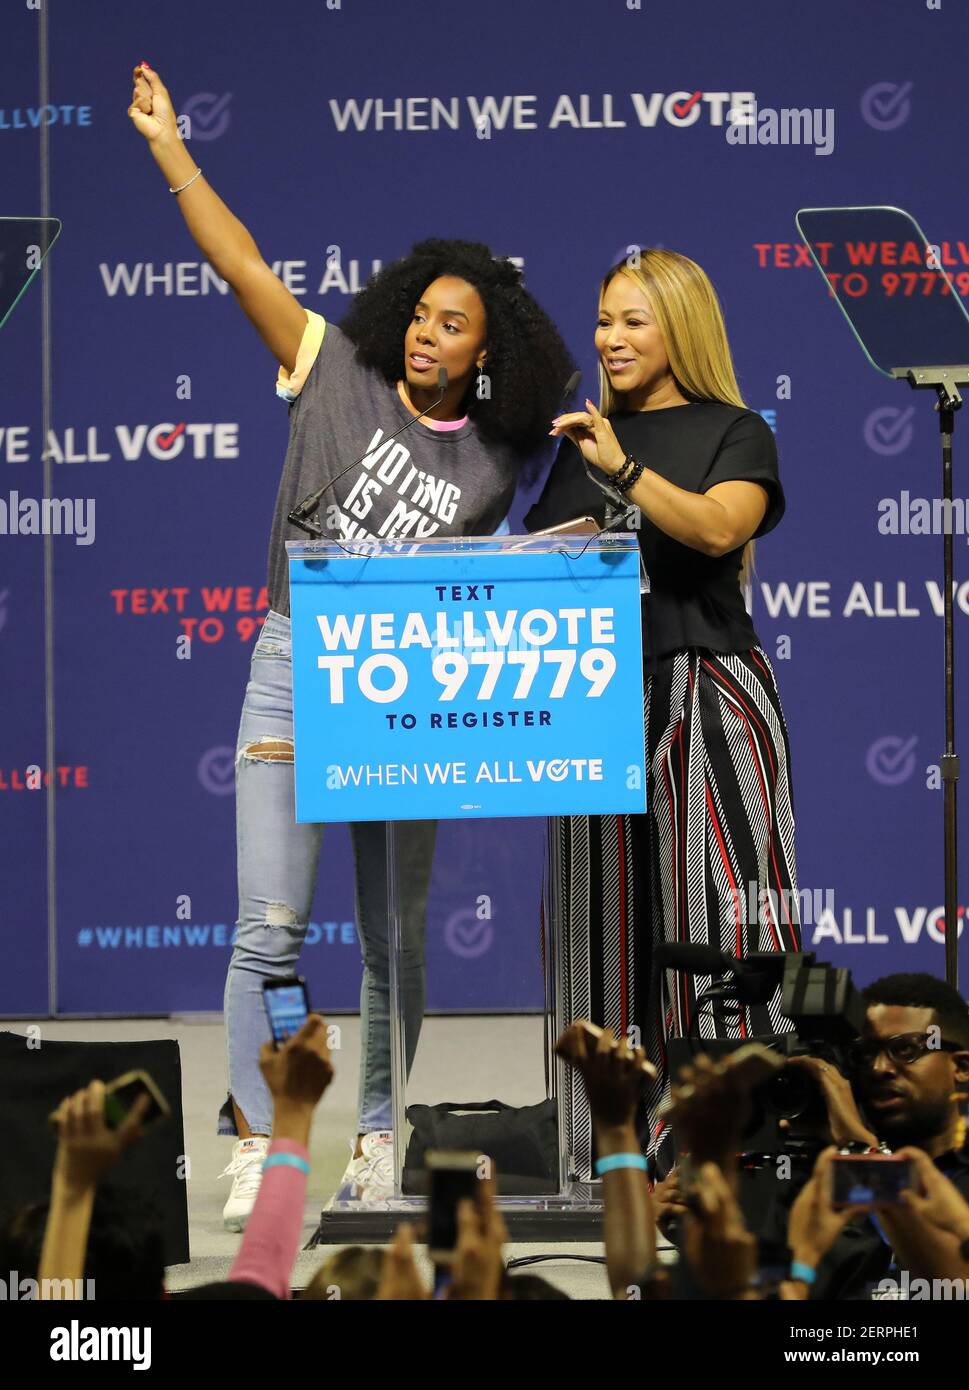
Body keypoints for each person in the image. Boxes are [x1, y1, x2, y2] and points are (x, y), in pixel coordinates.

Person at [127, 63, 575, 1227]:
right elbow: (238, 264)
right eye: (422, 313)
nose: (429, 333)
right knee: (266, 928)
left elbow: (525, 570)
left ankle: (377, 1139)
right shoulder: (334, 365)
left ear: (489, 352)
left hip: (405, 695)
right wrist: (175, 152)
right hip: (290, 661)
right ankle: (260, 1143)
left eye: (453, 324)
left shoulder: (504, 457)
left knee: (391, 941)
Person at [526, 248, 801, 1171]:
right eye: (603, 319)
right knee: (597, 936)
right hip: (594, 704)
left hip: (708, 691)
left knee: (721, 926)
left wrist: (624, 469)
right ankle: (606, 1153)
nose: (609, 337)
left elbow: (721, 527)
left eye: (632, 320)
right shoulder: (576, 442)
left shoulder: (735, 430)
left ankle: (732, 1151)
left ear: (678, 326)